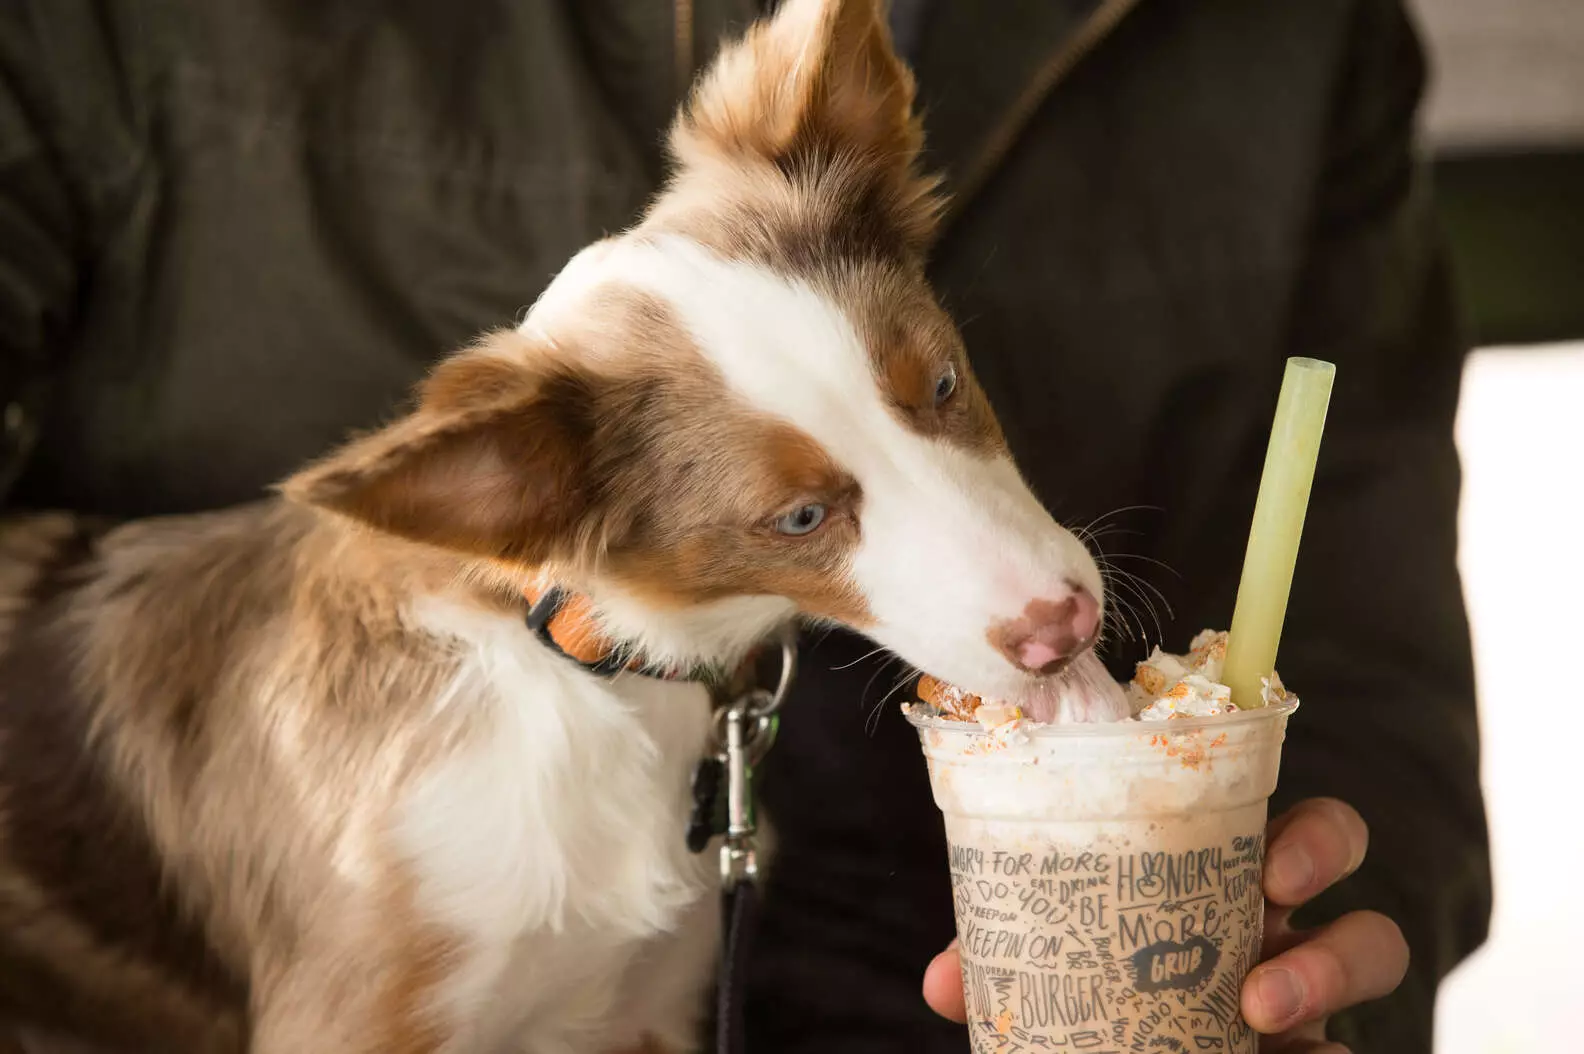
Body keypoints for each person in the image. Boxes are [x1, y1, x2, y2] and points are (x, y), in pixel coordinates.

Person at [0, 1, 1488, 1052]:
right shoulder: (438, 811)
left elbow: (1367, 690)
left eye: (942, 388)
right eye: (799, 510)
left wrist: (1309, 946)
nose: (1041, 594)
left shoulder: (1306, 40)